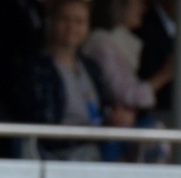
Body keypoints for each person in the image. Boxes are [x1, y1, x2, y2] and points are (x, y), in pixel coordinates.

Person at [23, 0, 133, 162]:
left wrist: (115, 116)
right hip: (62, 150)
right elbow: (44, 124)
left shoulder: (90, 67)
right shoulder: (38, 68)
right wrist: (92, 134)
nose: (72, 27)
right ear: (51, 21)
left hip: (98, 141)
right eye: (65, 20)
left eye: (79, 21)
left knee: (149, 131)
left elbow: (102, 108)